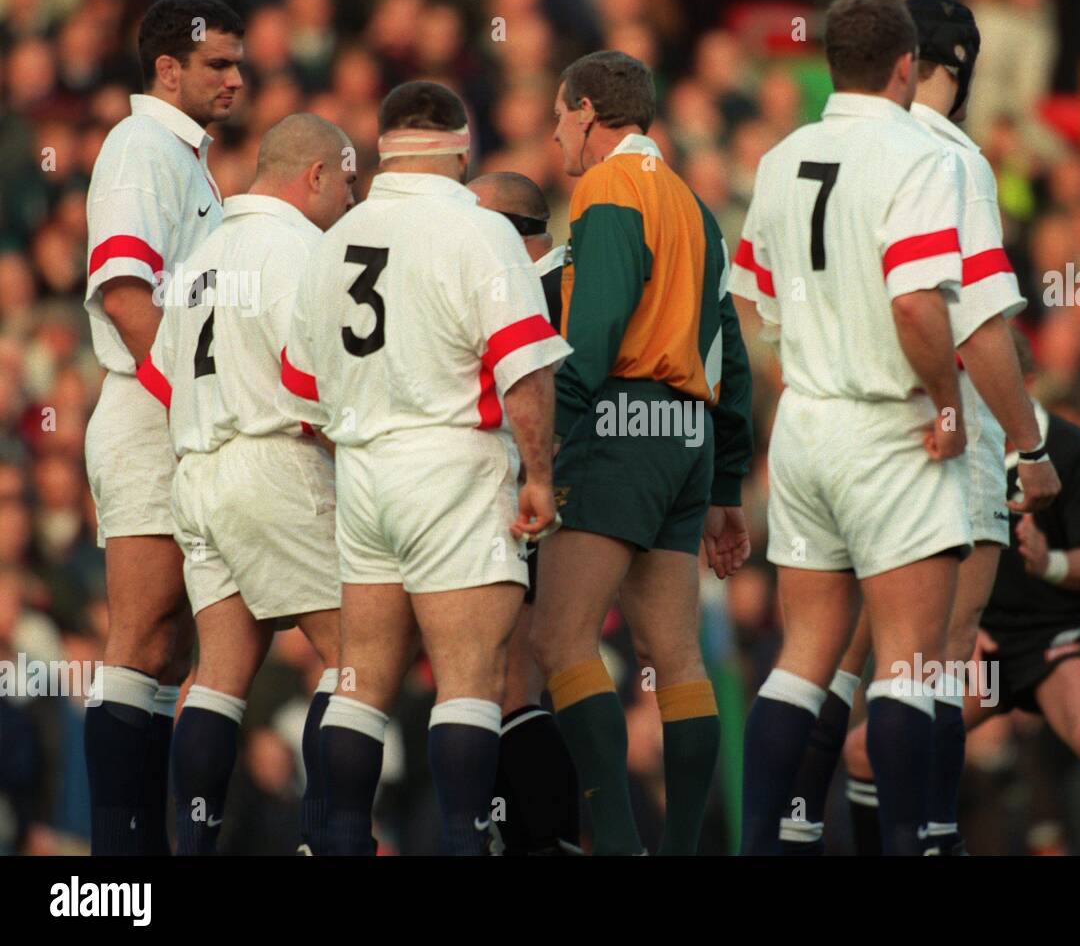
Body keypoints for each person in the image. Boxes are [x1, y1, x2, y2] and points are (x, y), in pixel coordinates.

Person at [779, 0, 1059, 857]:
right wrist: (1029, 443)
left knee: (835, 657)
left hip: (818, 424)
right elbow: (976, 325)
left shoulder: (818, 147)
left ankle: (793, 826)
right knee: (930, 656)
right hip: (932, 429)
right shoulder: (948, 156)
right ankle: (928, 840)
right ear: (959, 66)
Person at [277, 81, 570, 855]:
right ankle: (463, 845)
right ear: (460, 147)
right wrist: (537, 477)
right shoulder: (477, 229)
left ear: (380, 149)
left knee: (361, 682)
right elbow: (526, 370)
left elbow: (300, 390)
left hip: (366, 474)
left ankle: (339, 842)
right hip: (454, 463)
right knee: (470, 677)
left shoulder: (334, 239)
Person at [729, 0, 968, 855]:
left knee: (805, 659)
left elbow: (757, 302)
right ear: (906, 66)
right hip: (888, 423)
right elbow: (915, 303)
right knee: (907, 661)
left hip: (806, 424)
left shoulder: (783, 156)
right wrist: (947, 400)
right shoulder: (917, 154)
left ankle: (759, 845)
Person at [529, 50, 754, 855]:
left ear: (587, 111)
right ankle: (687, 846)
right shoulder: (695, 209)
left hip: (621, 423)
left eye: (559, 116)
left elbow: (592, 332)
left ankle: (620, 844)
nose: (555, 135)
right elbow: (730, 350)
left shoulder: (609, 186)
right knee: (677, 655)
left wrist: (548, 440)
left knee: (559, 637)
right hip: (687, 440)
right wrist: (725, 477)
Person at [142, 114, 355, 855]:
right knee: (359, 654)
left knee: (220, 674)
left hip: (198, 469)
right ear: (317, 175)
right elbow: (313, 379)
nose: (352, 200)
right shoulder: (300, 248)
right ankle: (328, 839)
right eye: (349, 181)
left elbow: (161, 376)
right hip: (274, 460)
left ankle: (192, 847)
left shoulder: (204, 253)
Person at [843, 333, 1080, 855]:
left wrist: (1051, 562)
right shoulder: (947, 444)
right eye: (974, 378)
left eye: (996, 380)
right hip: (979, 650)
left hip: (1052, 642)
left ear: (1026, 383)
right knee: (867, 752)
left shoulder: (1072, 449)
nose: (984, 391)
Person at [81, 0, 244, 855]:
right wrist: (191, 398)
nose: (235, 78)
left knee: (168, 648)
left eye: (239, 61)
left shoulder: (180, 152)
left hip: (167, 408)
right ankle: (117, 869)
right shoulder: (141, 146)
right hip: (148, 409)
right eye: (218, 63)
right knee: (139, 640)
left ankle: (136, 856)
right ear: (167, 68)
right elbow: (124, 289)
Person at [468, 171, 581, 855]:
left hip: (531, 491)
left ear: (509, 230)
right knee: (522, 674)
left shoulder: (528, 288)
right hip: (552, 489)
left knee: (511, 675)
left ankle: (541, 836)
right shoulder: (565, 281)